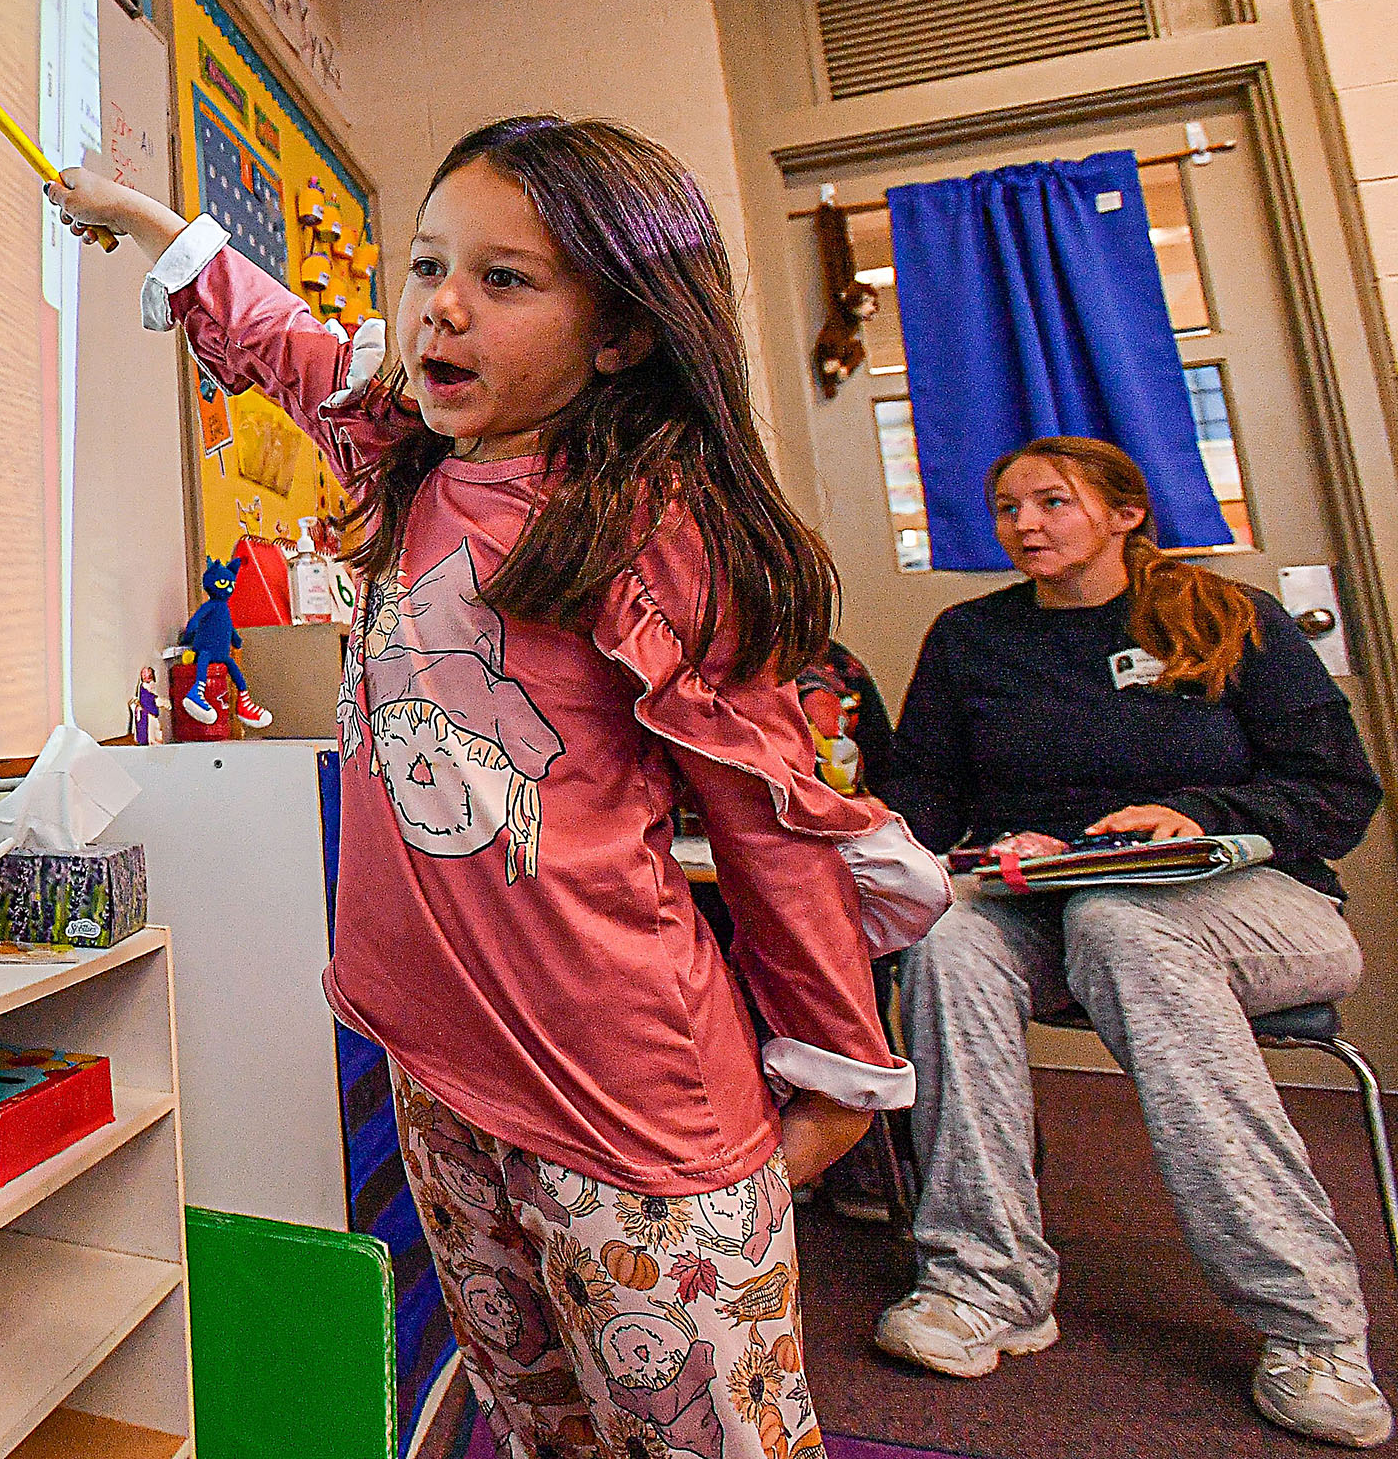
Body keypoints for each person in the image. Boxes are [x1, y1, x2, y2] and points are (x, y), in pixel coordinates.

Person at [46, 115, 950, 1459]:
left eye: (505, 280)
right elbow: (299, 352)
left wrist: (834, 1077)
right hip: (442, 1073)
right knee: (531, 1420)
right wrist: (152, 225)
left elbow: (773, 820)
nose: (440, 307)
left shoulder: (655, 527)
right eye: (423, 269)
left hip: (627, 1110)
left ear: (624, 330)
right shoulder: (409, 467)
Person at [873, 436, 1390, 1445]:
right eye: (1008, 505)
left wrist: (1195, 812)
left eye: (1052, 501)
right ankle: (986, 1280)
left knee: (1122, 923)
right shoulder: (971, 638)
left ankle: (1313, 1325)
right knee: (950, 939)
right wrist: (959, 849)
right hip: (1052, 904)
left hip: (1254, 900)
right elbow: (921, 795)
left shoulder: (1226, 616)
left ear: (1124, 511)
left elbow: (1338, 789)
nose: (1025, 523)